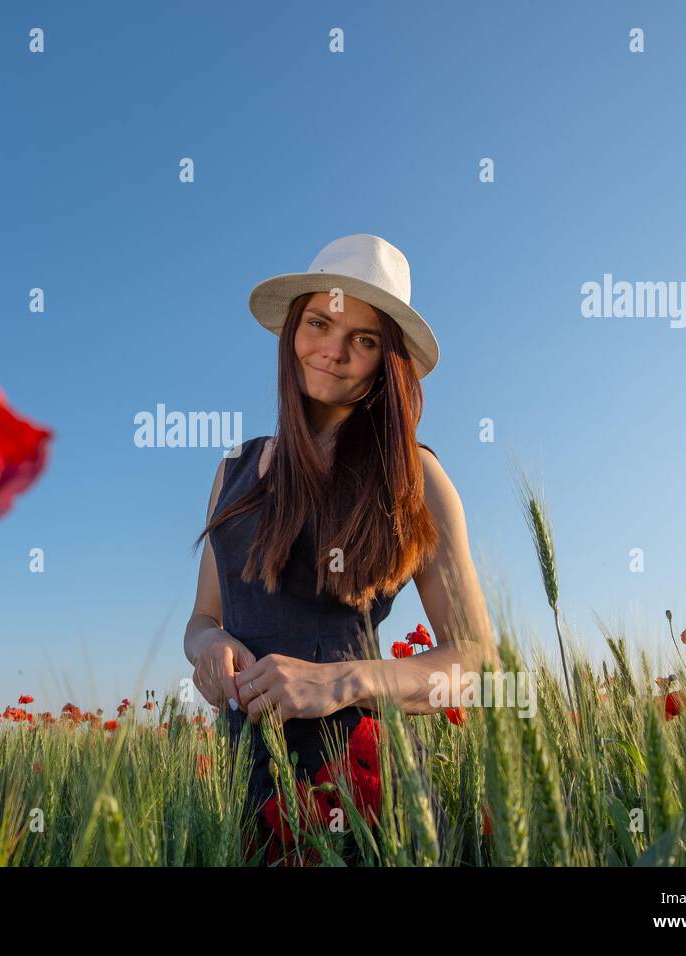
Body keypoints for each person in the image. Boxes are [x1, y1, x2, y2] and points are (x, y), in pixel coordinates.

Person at [184, 234, 495, 865]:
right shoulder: (233, 472)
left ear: (388, 360)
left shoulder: (416, 479)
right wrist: (210, 649)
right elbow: (202, 617)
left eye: (365, 338)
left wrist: (339, 682)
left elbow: (479, 663)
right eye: (321, 323)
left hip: (365, 788)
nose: (335, 351)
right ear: (293, 330)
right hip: (245, 785)